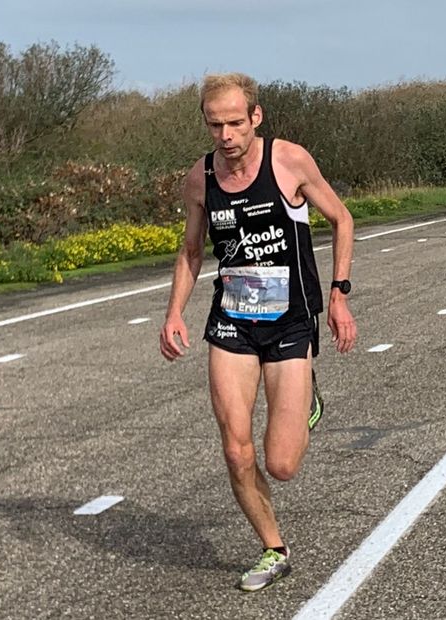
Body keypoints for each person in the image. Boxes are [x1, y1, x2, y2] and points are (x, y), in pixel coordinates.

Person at [159, 72, 357, 592]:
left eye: (233, 123)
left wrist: (338, 294)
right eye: (214, 124)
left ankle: (307, 393)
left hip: (291, 320)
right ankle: (273, 548)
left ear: (255, 117)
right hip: (231, 321)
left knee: (282, 463)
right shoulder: (200, 179)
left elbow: (341, 219)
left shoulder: (289, 160)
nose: (225, 135)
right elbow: (192, 250)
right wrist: (174, 312)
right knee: (235, 450)